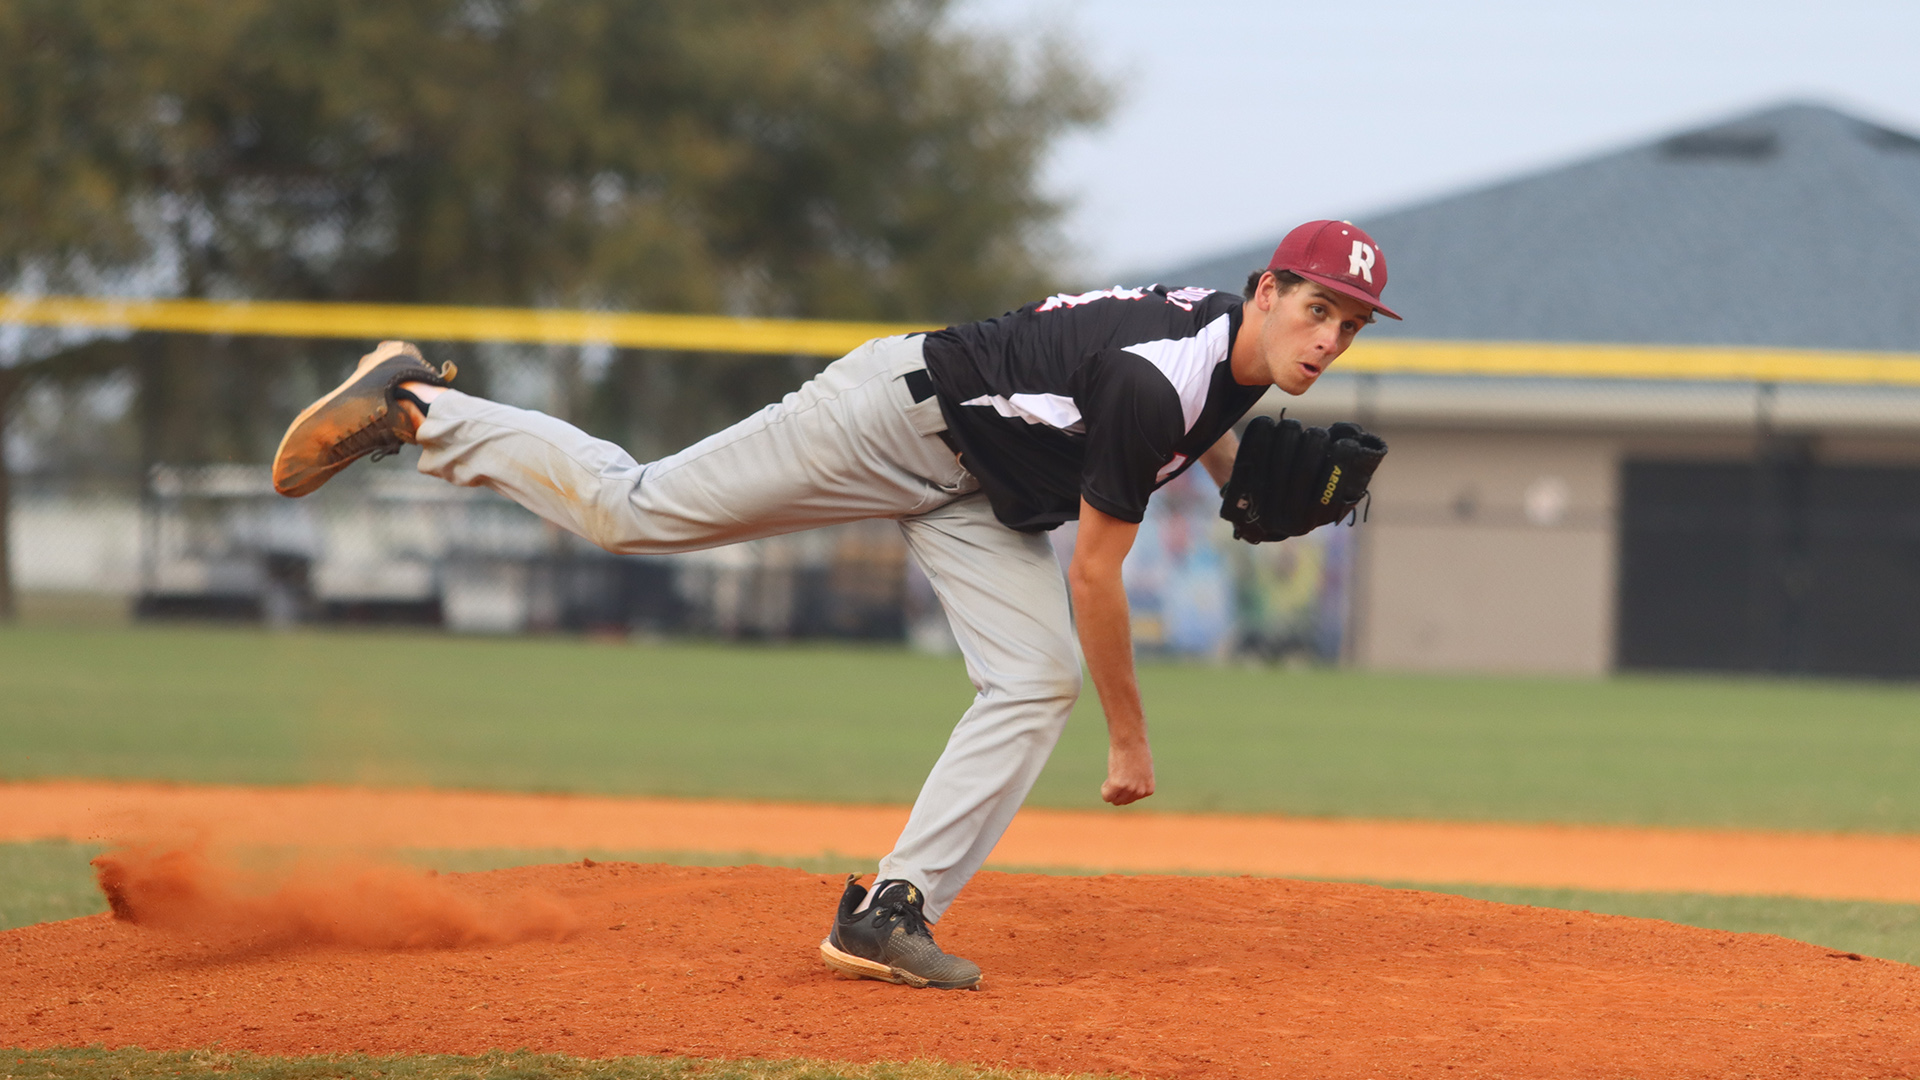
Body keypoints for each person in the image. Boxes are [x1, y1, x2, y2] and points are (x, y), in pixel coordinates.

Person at [271, 219, 1400, 990]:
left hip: (977, 485)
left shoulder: (1220, 351)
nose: (1329, 339)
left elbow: (1184, 421)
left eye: (1348, 326)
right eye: (1317, 310)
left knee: (1031, 679)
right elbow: (1098, 573)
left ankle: (888, 910)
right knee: (636, 511)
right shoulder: (1163, 378)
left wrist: (1235, 483)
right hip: (889, 420)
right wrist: (1133, 740)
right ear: (1267, 289)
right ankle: (419, 406)